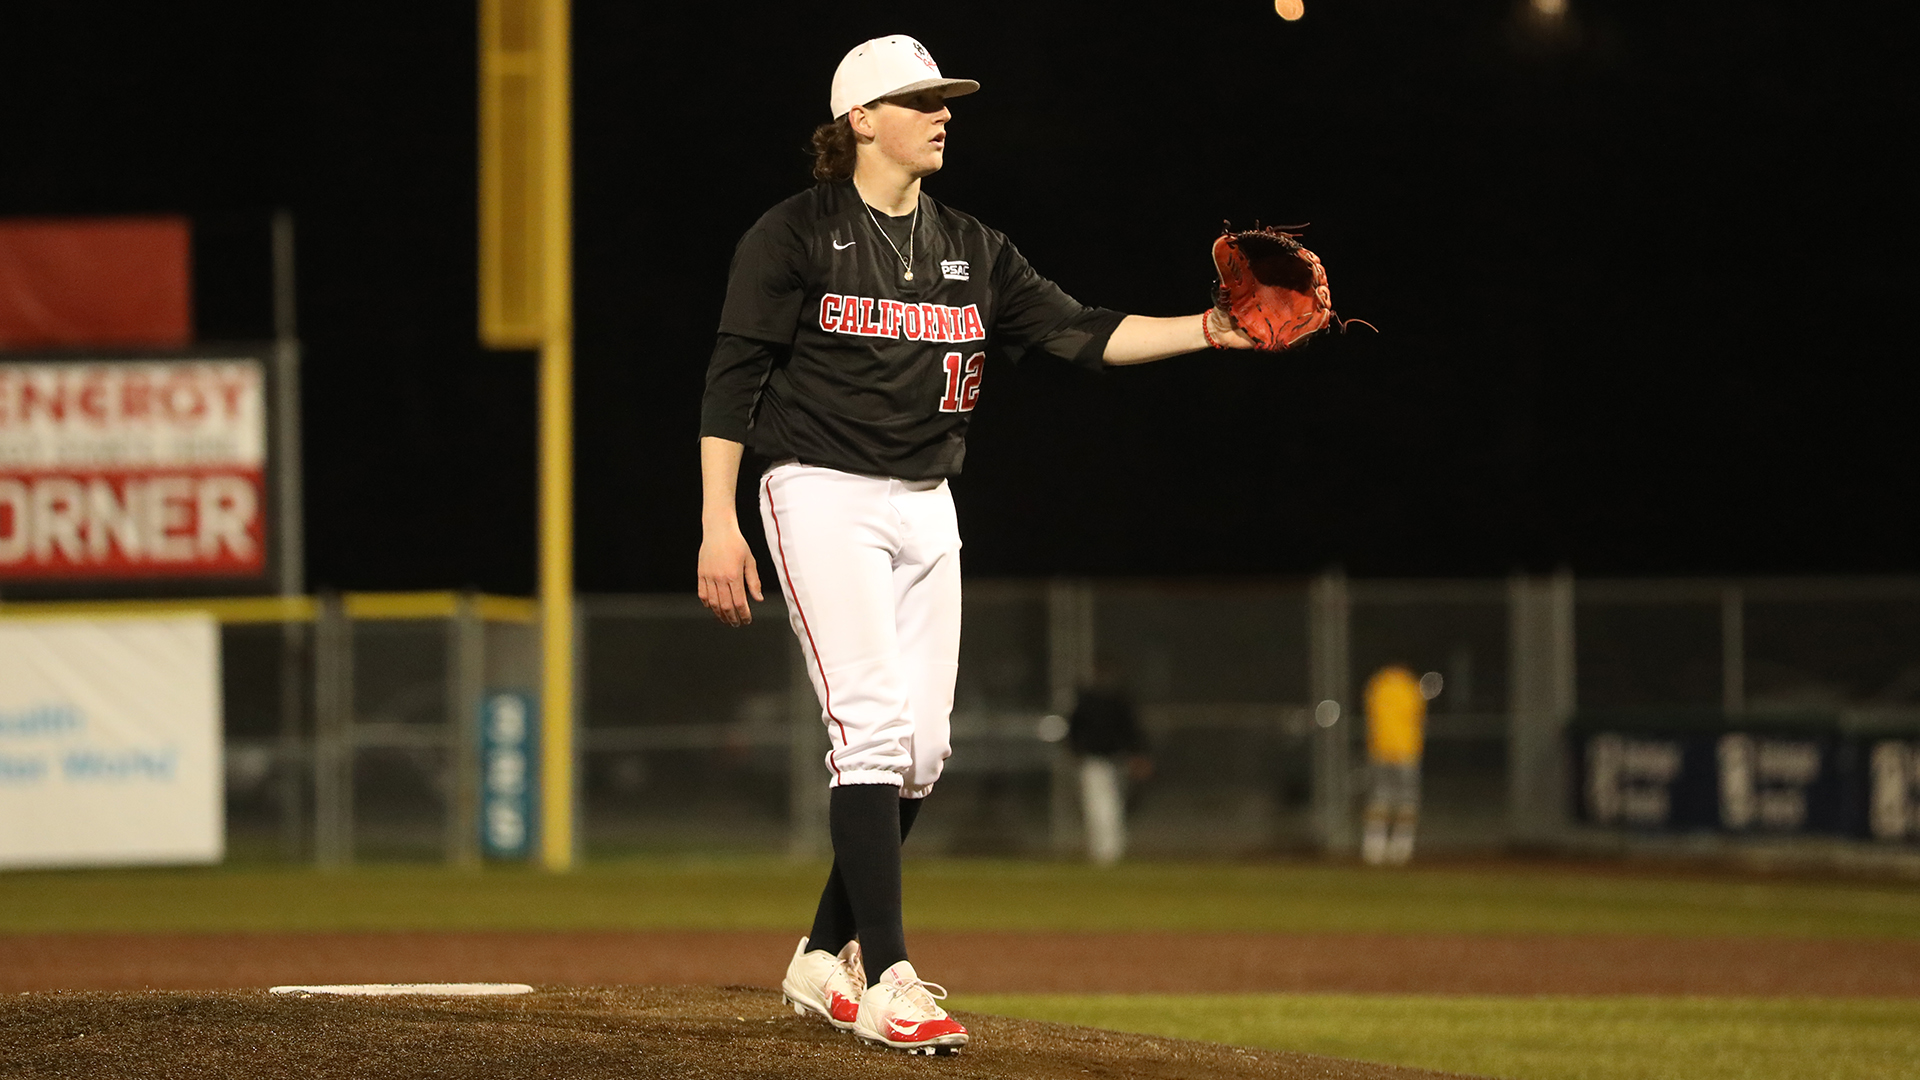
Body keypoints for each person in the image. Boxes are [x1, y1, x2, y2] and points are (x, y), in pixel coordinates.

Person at [695, 34, 1259, 1054]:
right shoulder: (792, 235)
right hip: (819, 490)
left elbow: (1083, 331)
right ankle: (891, 975)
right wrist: (716, 521)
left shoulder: (975, 248)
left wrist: (1212, 331)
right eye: (921, 98)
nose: (945, 111)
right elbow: (731, 379)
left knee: (922, 749)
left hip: (926, 501)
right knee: (868, 727)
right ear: (860, 118)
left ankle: (823, 953)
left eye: (946, 98)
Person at [1068, 670, 1151, 866]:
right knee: (1108, 805)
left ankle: (1105, 851)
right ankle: (1107, 850)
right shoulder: (1116, 700)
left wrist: (1137, 755)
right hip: (1109, 759)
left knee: (1102, 805)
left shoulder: (1091, 701)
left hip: (1107, 760)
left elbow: (1074, 732)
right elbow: (1132, 731)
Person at [1362, 664, 1427, 866]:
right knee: (1405, 801)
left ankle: (1374, 845)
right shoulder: (1410, 685)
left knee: (1381, 798)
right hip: (1406, 751)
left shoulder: (1378, 684)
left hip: (1382, 750)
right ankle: (1401, 846)